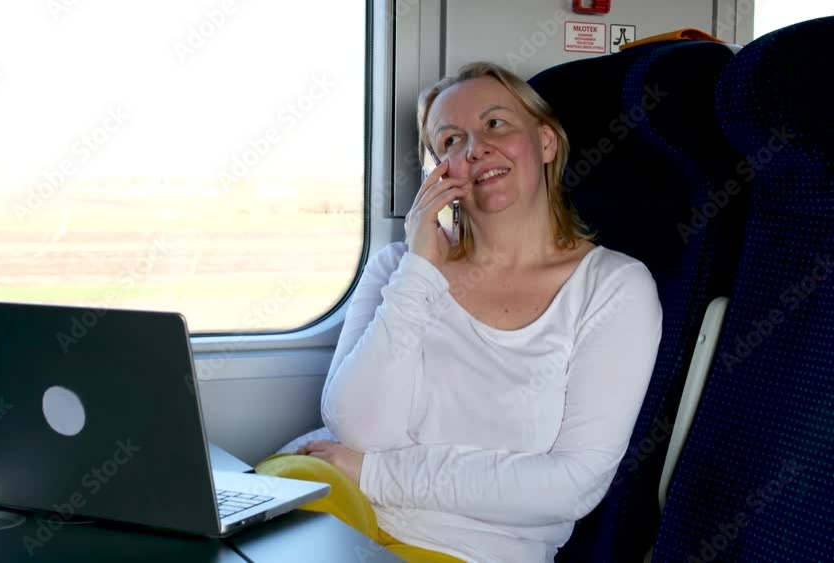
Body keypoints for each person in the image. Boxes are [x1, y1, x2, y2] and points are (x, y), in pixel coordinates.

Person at [254, 61, 663, 563]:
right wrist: (421, 269)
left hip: (472, 551)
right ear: (437, 172)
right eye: (450, 141)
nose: (474, 149)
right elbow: (357, 427)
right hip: (340, 509)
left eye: (495, 124)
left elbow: (570, 485)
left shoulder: (615, 287)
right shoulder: (398, 267)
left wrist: (377, 472)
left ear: (547, 142)